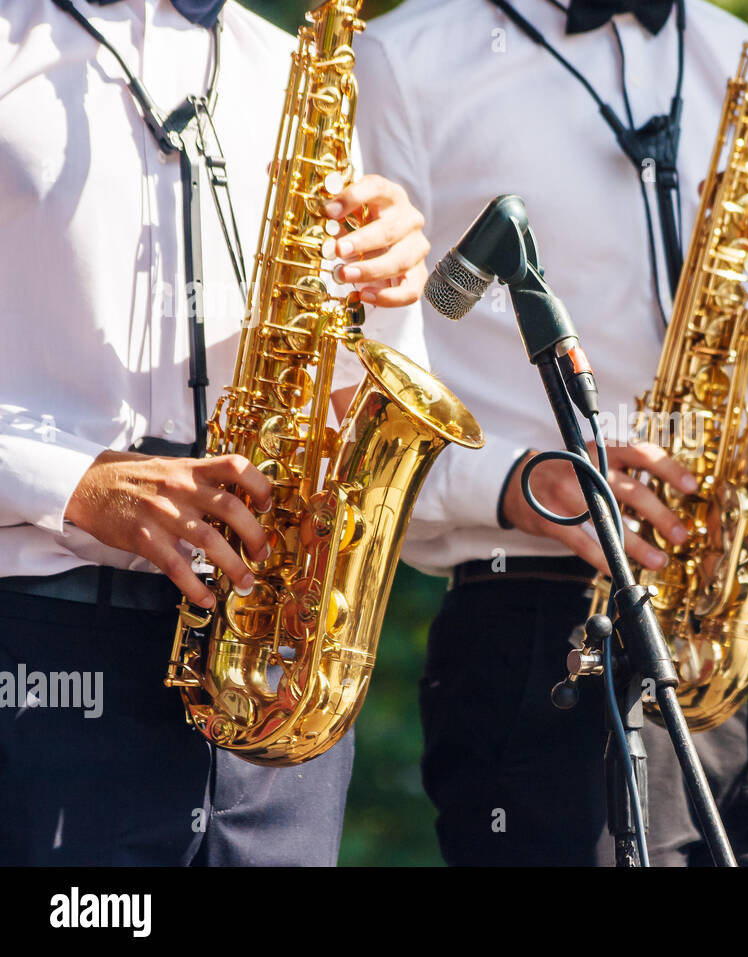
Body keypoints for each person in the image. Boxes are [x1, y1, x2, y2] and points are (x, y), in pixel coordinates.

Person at [358, 0, 748, 865]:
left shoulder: (745, 56)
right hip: (544, 636)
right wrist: (521, 483)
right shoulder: (401, 61)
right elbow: (355, 419)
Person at [0, 0, 430, 865]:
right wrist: (76, 483)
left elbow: (352, 390)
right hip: (45, 658)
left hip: (274, 671)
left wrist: (383, 287)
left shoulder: (295, 68)